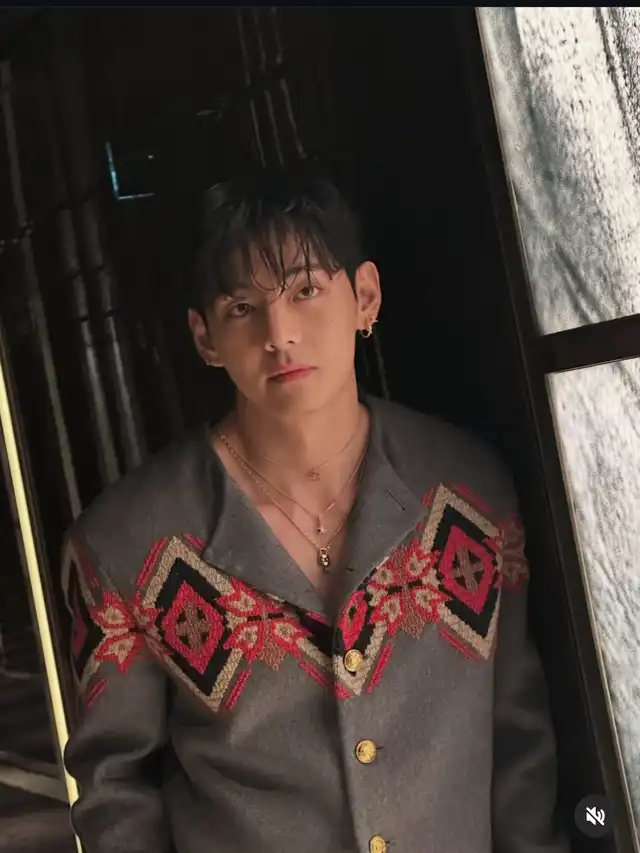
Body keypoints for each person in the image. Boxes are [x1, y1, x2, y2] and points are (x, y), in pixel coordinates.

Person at [62, 165, 569, 853]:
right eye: (242, 308)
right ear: (205, 337)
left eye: (305, 290)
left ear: (365, 296)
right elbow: (116, 790)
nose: (280, 333)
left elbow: (520, 744)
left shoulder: (469, 492)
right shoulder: (125, 544)